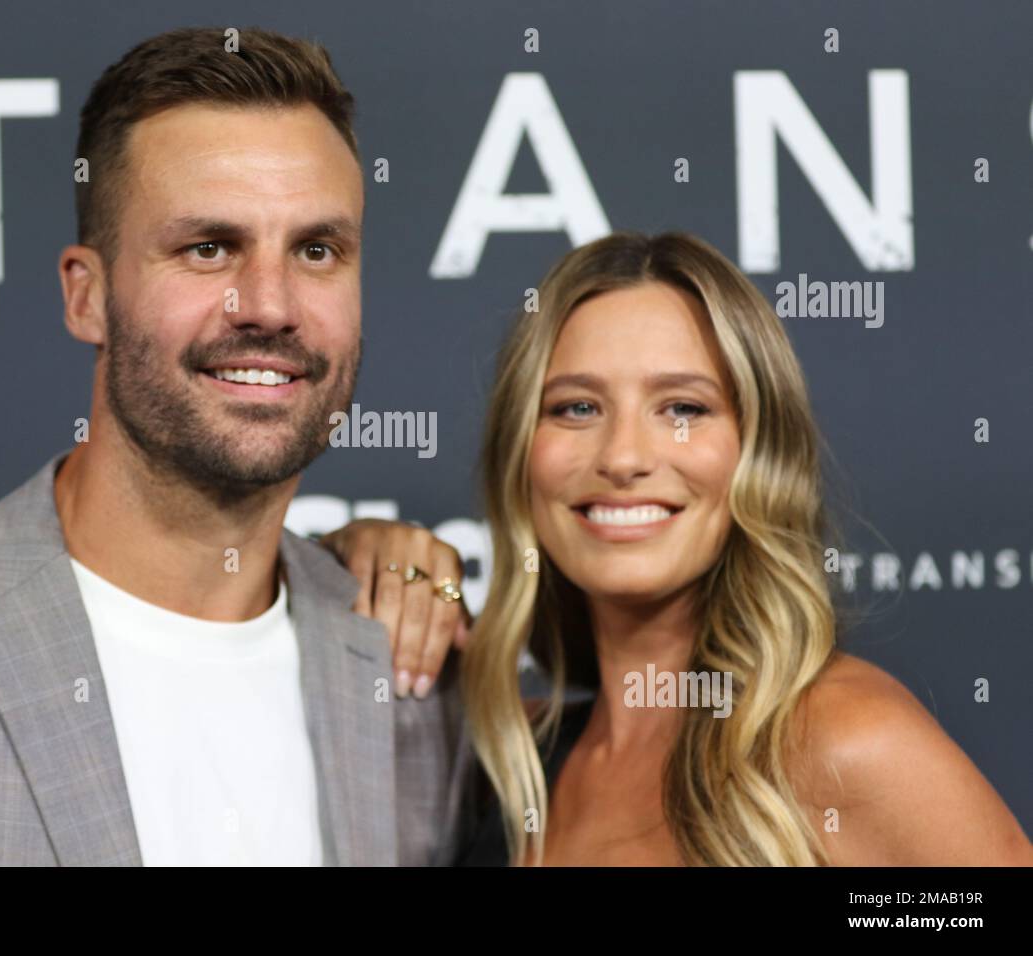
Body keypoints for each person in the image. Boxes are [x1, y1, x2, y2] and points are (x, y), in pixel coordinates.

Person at [0, 26, 465, 867]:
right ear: (87, 297)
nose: (269, 304)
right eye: (207, 247)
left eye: (316, 249)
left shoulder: (412, 672)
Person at [328, 231, 1033, 866]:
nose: (625, 456)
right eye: (577, 407)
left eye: (683, 409)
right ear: (521, 455)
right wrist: (346, 552)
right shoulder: (513, 763)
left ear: (757, 451)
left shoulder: (839, 740)